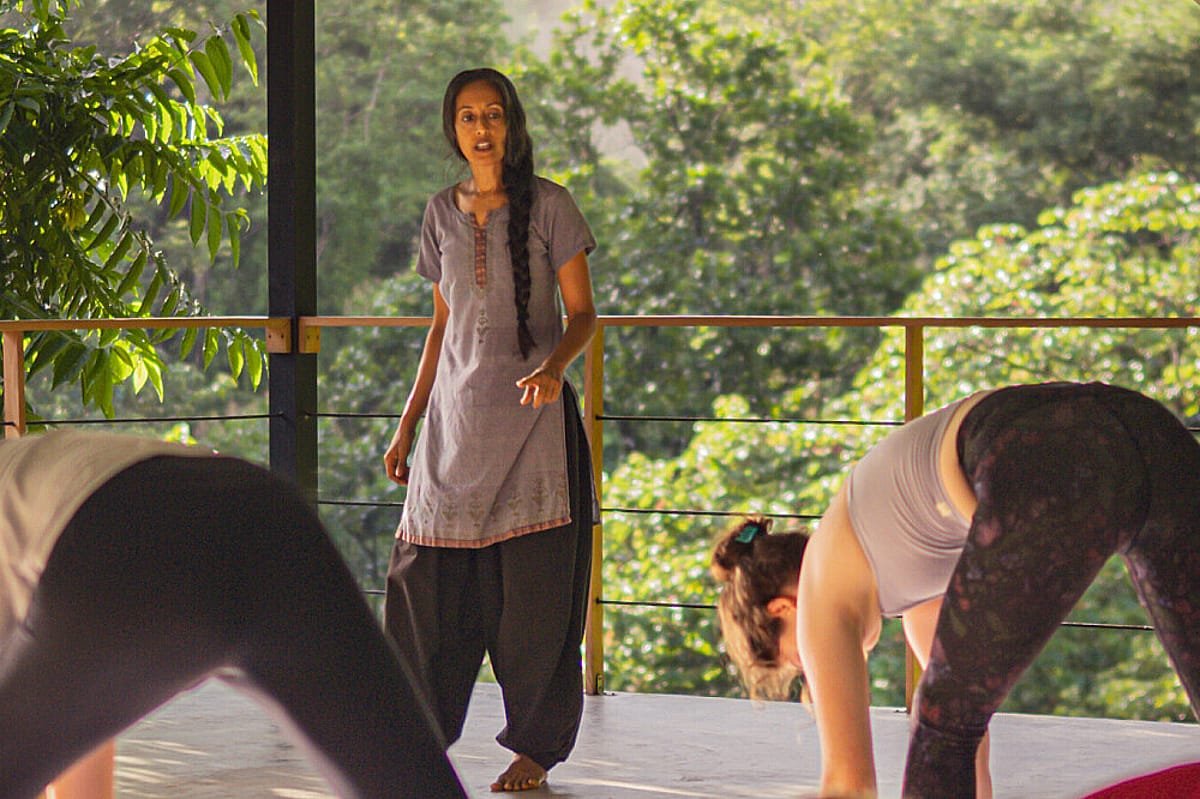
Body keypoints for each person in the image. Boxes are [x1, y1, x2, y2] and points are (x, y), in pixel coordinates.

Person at [710, 381, 1200, 799]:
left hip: (1052, 450)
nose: (810, 671)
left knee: (941, 722)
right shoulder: (907, 569)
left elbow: (847, 785)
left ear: (782, 607)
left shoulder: (821, 586)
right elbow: (966, 722)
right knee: (949, 719)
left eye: (795, 661)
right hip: (1147, 428)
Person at [0, 429, 467, 799]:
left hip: (118, 538)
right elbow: (81, 709)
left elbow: (68, 703)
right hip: (265, 516)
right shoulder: (26, 462)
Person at [381, 66, 598, 793]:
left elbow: (584, 315)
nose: (482, 127)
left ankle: (535, 749)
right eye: (468, 116)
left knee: (532, 607)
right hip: (453, 432)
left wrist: (555, 368)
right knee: (422, 599)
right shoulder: (440, 213)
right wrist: (407, 423)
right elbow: (441, 328)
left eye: (494, 114)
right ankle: (408, 737)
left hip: (534, 435)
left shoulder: (551, 207)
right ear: (454, 128)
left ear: (513, 124)